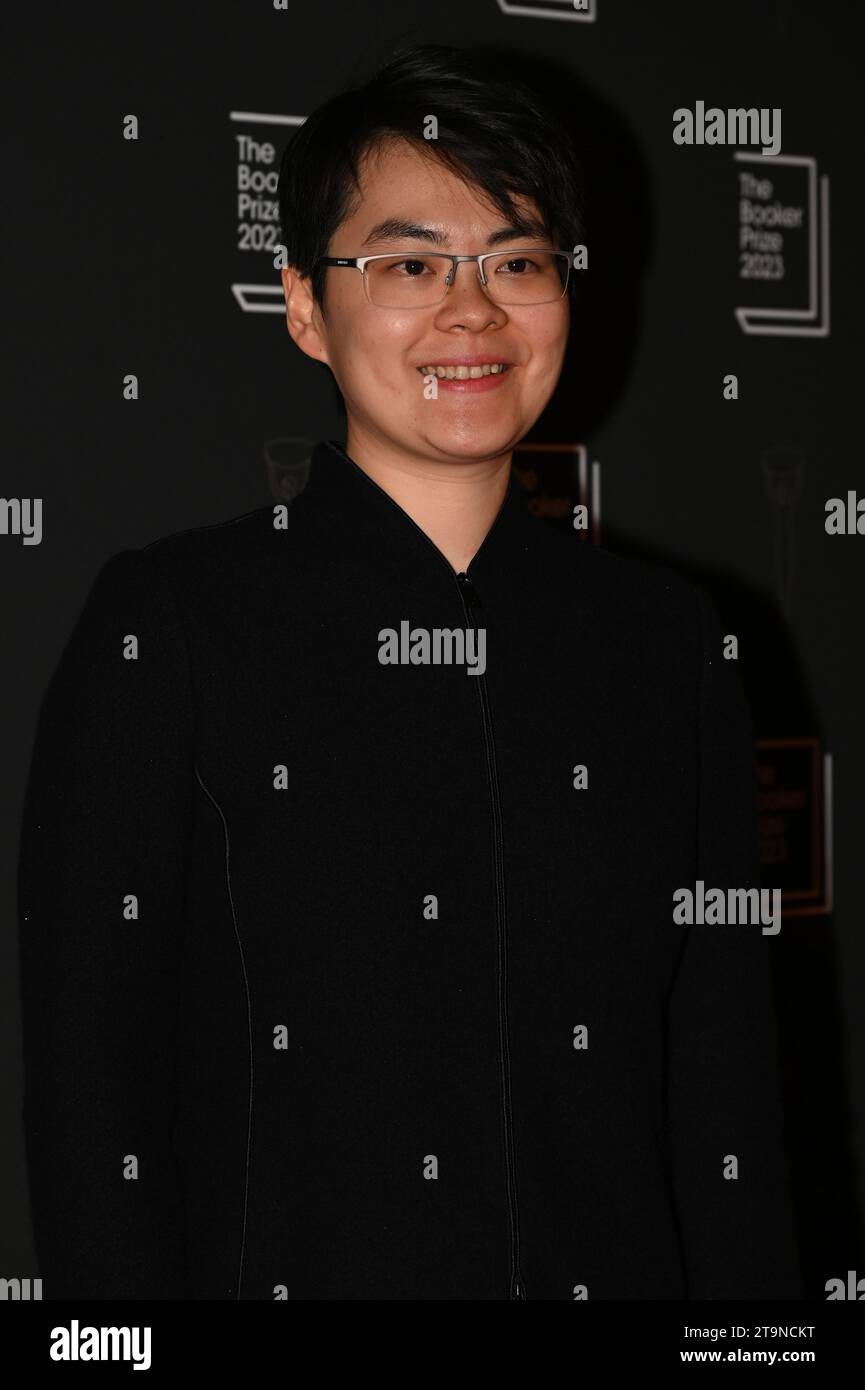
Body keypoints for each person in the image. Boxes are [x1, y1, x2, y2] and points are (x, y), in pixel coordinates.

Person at [17, 42, 802, 1301]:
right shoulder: (171, 624)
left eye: (518, 262)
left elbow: (724, 1103)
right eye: (408, 264)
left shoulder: (667, 644)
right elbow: (91, 1095)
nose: (472, 310)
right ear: (304, 306)